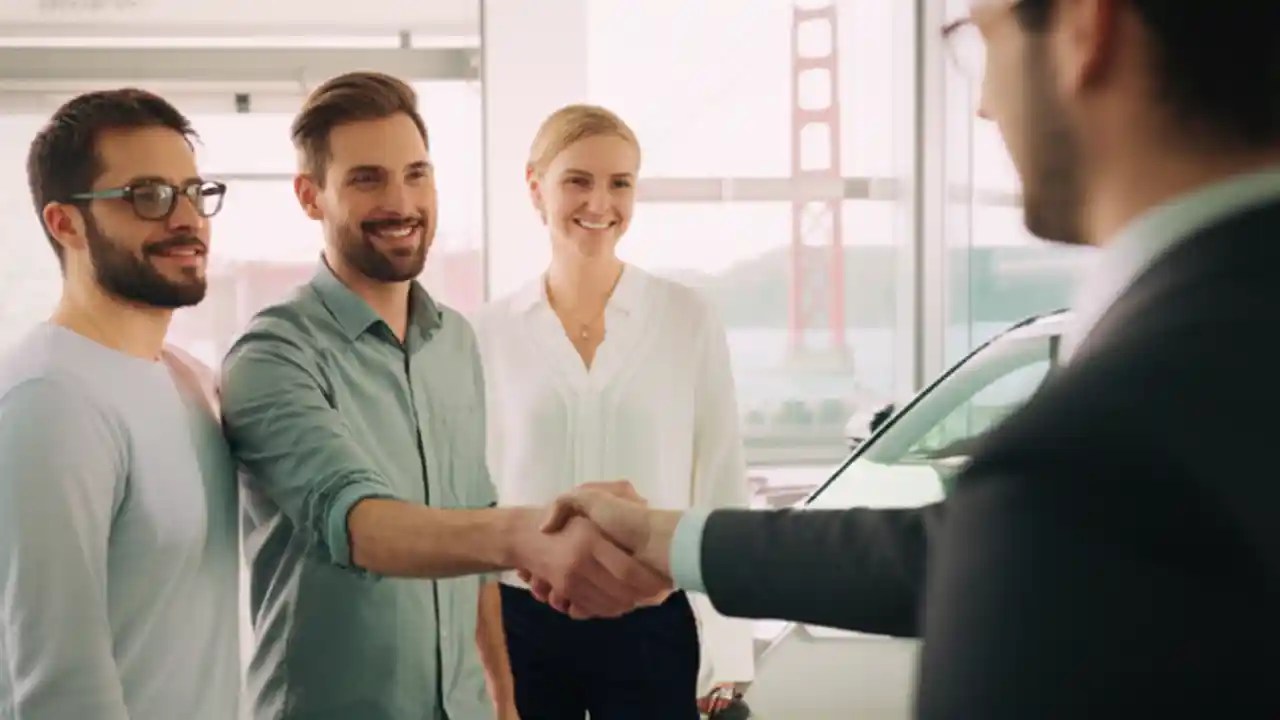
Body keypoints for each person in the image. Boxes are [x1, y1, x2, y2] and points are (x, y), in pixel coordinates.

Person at [532, 0, 1280, 715]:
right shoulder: (1207, 363)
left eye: (978, 40)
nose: (983, 103)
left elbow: (1020, 544)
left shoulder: (1084, 450)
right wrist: (675, 540)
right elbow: (955, 550)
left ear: (1088, 26)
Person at [218, 72, 665, 720]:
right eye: (368, 179)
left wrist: (504, 703)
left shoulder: (454, 342)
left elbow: (473, 543)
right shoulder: (271, 356)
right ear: (310, 196)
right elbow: (360, 525)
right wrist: (528, 535)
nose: (402, 202)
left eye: (417, 174)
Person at [471, 104, 754, 719]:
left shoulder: (687, 318)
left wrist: (729, 653)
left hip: (651, 624)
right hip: (523, 627)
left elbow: (719, 480)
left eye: (619, 183)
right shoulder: (484, 332)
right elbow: (471, 503)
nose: (600, 202)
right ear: (535, 187)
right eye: (578, 180)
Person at [0, 88, 239, 719]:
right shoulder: (48, 400)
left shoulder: (190, 380)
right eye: (149, 196)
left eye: (194, 192)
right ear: (65, 223)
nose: (185, 218)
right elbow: (58, 686)